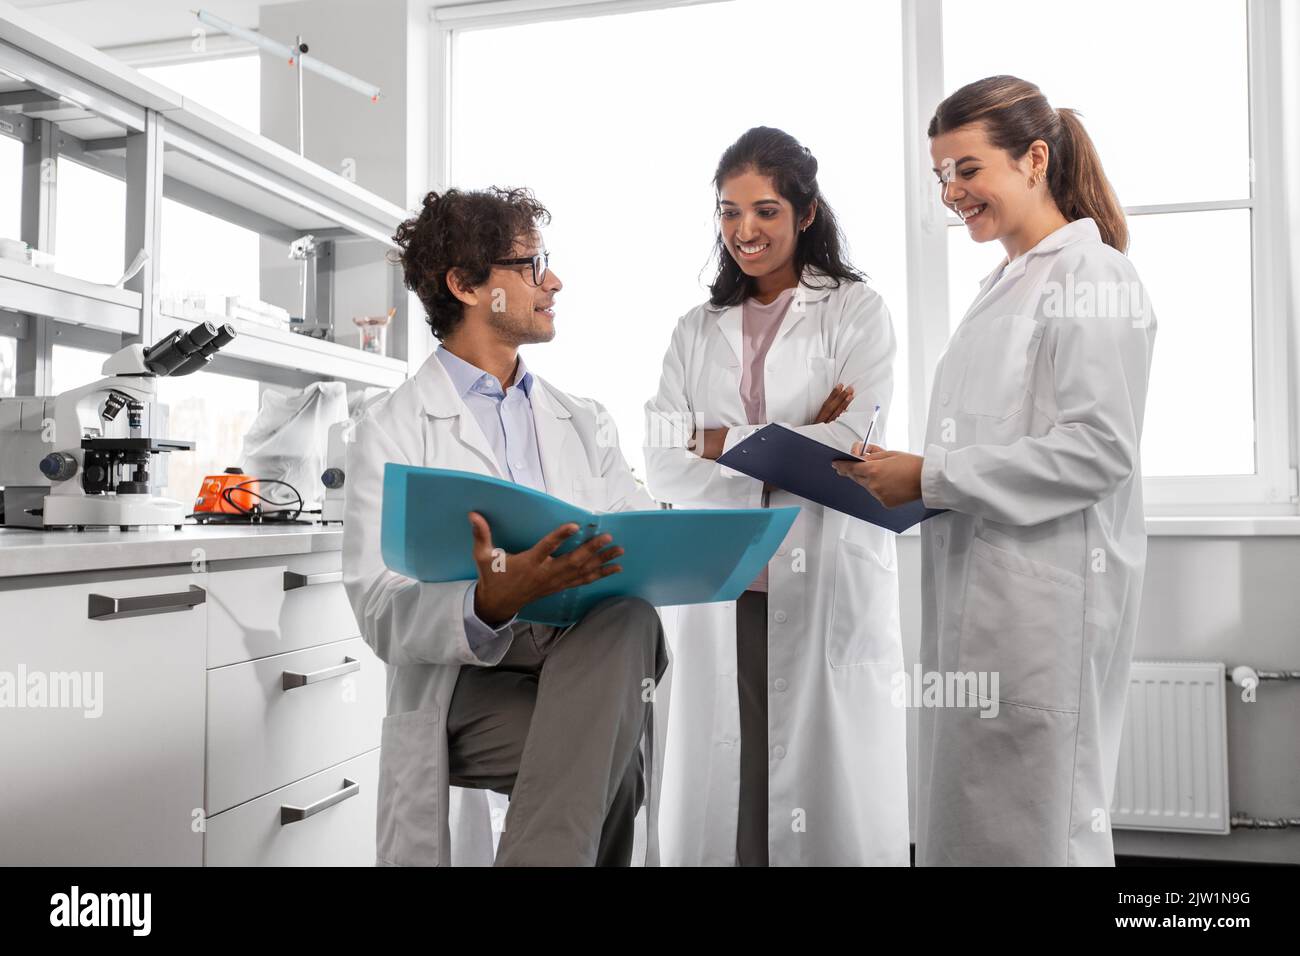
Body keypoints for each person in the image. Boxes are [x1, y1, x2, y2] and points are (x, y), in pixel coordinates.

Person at [833, 75, 1157, 865]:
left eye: (968, 169)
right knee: (977, 818)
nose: (952, 191)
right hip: (981, 600)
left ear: (1034, 159)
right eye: (941, 175)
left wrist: (931, 476)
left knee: (1041, 826)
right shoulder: (1007, 287)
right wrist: (905, 476)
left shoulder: (1092, 276)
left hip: (1044, 608)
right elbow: (993, 445)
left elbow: (1098, 449)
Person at [343, 186, 668, 867]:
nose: (554, 282)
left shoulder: (583, 419)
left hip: (585, 656)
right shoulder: (392, 428)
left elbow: (634, 532)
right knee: (611, 765)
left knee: (632, 621)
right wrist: (489, 600)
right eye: (530, 265)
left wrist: (671, 539)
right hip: (466, 685)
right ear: (465, 286)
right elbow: (378, 607)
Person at [644, 127, 908, 866]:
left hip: (820, 572)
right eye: (729, 212)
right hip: (722, 580)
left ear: (805, 212)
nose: (745, 230)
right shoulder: (694, 329)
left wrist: (716, 440)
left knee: (818, 793)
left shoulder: (855, 311)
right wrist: (789, 442)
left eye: (765, 210)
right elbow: (660, 461)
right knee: (730, 786)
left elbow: (849, 444)